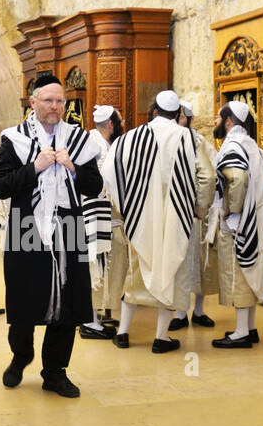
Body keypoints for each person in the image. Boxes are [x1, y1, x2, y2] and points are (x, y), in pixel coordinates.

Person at [0, 72, 103, 397]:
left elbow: (95, 187)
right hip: (26, 229)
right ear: (33, 102)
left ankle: (55, 372)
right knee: (26, 298)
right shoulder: (14, 139)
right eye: (48, 100)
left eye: (59, 101)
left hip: (68, 228)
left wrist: (74, 169)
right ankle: (20, 355)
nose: (54, 106)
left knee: (68, 300)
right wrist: (33, 168)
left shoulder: (80, 141)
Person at [101, 90, 213, 354]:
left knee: (136, 273)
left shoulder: (130, 138)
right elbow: (207, 177)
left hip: (140, 217)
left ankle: (123, 333)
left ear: (153, 112)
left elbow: (109, 171)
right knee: (172, 271)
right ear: (177, 115)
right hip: (177, 217)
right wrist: (199, 209)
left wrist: (124, 206)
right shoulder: (189, 138)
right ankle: (161, 338)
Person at [208, 100, 263, 348]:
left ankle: (240, 333)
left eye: (219, 118)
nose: (215, 122)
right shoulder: (249, 144)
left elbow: (238, 179)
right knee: (248, 271)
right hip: (254, 220)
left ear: (229, 121)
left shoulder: (232, 146)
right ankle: (249, 328)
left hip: (237, 223)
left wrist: (232, 209)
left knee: (237, 274)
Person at [168, 99, 219, 332]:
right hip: (174, 212)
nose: (178, 121)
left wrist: (201, 207)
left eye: (181, 117)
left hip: (197, 212)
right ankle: (180, 311)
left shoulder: (199, 142)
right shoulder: (170, 141)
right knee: (178, 261)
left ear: (190, 119)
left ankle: (198, 310)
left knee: (199, 262)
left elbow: (211, 173)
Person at [79, 105, 124, 340]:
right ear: (110, 125)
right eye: (120, 121)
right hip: (94, 215)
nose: (123, 124)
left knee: (101, 266)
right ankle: (89, 321)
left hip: (102, 216)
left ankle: (95, 316)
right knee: (93, 266)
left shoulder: (100, 143)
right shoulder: (94, 147)